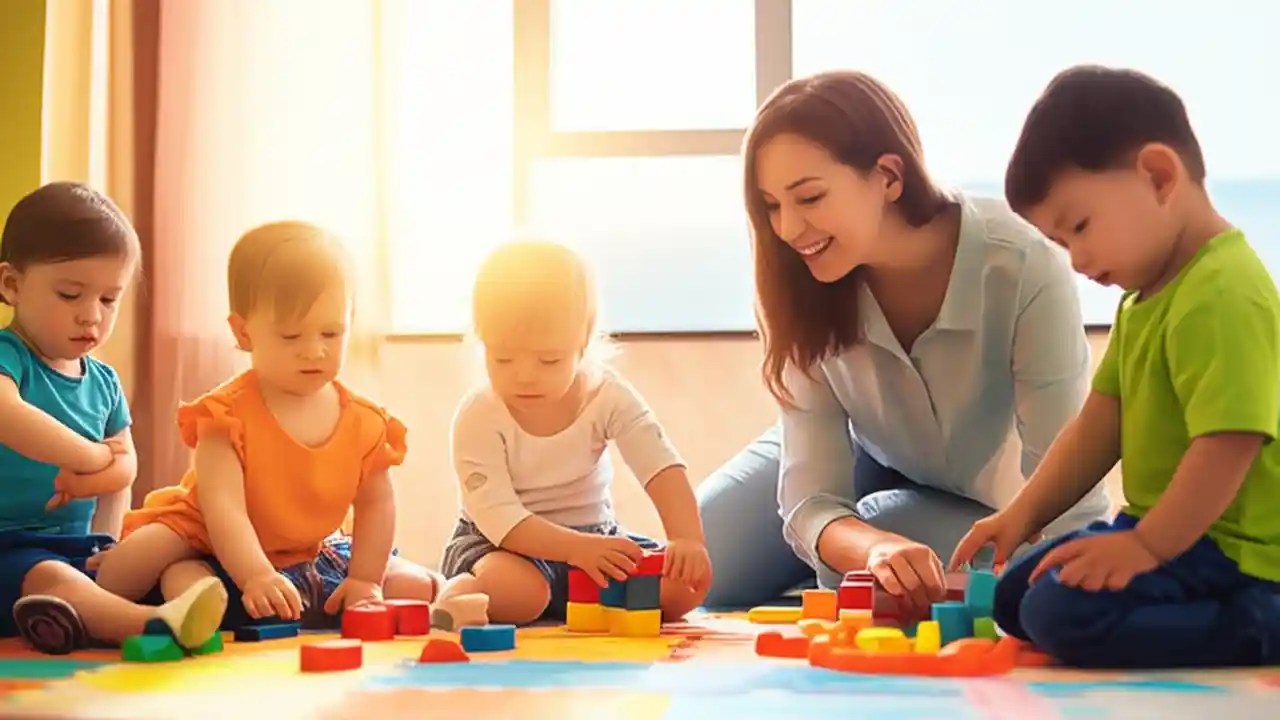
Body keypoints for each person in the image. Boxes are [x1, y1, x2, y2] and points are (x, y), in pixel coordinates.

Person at [695, 70, 1112, 610]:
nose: (788, 229)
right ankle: (837, 576)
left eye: (810, 198)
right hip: (863, 448)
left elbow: (1067, 501)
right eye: (771, 205)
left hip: (992, 504)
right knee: (701, 553)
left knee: (893, 533)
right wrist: (870, 548)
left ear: (889, 177)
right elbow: (810, 499)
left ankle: (828, 584)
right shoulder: (799, 285)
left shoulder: (1020, 264)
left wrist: (877, 539)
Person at [951, 65, 1280, 668]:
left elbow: (1229, 441)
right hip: (1166, 532)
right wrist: (1019, 517)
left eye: (1080, 227)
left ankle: (1263, 622)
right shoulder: (1145, 299)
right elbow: (1098, 427)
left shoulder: (1225, 291)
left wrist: (1147, 546)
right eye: (1061, 242)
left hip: (1238, 555)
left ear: (1158, 176)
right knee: (1016, 596)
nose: (1077, 260)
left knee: (1058, 614)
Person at [93, 221, 441, 629]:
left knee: (409, 586)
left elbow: (377, 505)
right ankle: (155, 599)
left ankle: (447, 591)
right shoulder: (225, 415)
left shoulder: (365, 422)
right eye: (291, 336)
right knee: (129, 568)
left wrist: (366, 580)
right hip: (205, 532)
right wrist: (256, 575)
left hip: (303, 547)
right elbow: (225, 510)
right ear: (244, 332)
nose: (314, 351)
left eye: (331, 332)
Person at [0, 182, 227, 654]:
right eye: (70, 295)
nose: (91, 317)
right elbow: (8, 415)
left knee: (163, 555)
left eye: (108, 300)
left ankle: (194, 606)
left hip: (82, 549)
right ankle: (152, 624)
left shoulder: (102, 380)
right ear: (11, 285)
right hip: (10, 548)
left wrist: (110, 543)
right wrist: (89, 456)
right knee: (49, 577)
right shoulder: (10, 357)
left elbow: (125, 468)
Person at [438, 240, 711, 625]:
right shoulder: (479, 415)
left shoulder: (607, 395)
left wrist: (686, 538)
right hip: (501, 547)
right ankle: (456, 596)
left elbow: (660, 465)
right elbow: (498, 517)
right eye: (502, 357)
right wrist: (577, 549)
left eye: (549, 359)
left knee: (685, 587)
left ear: (582, 345)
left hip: (594, 541)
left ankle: (576, 599)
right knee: (522, 593)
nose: (524, 374)